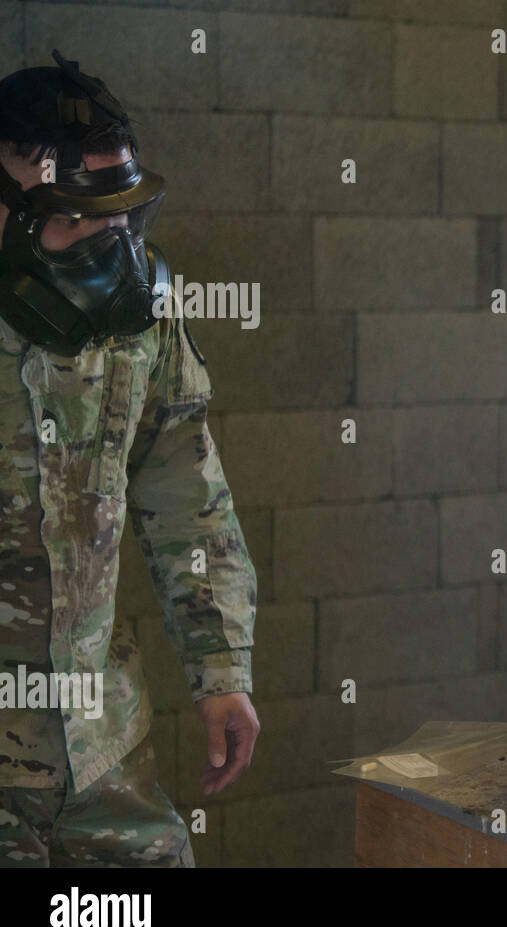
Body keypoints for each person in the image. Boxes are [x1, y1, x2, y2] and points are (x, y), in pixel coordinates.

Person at [0, 51, 259, 867]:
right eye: (73, 219)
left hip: (101, 754)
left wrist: (220, 668)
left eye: (120, 221)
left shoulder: (140, 320)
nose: (107, 252)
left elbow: (185, 484)